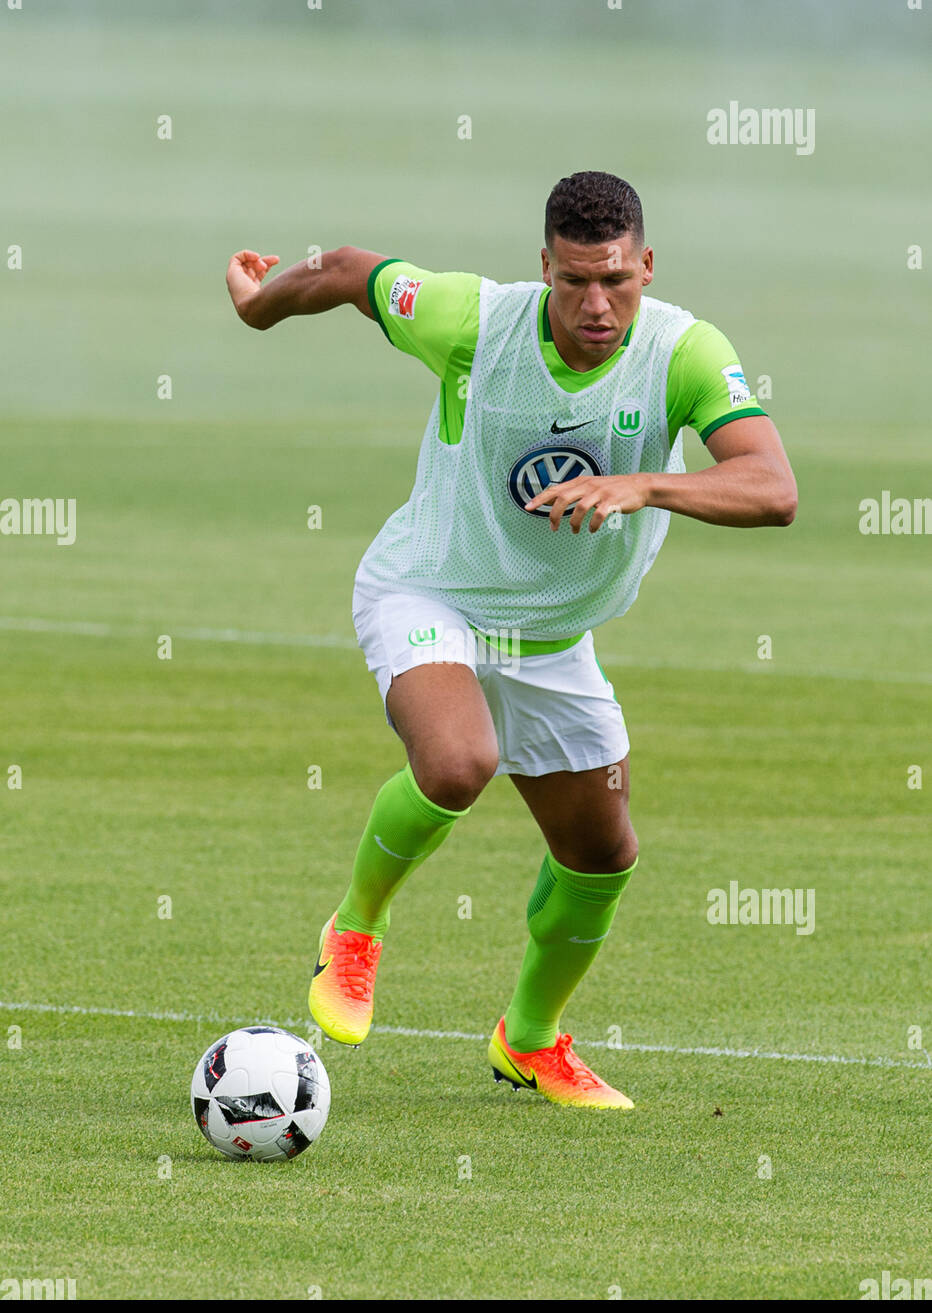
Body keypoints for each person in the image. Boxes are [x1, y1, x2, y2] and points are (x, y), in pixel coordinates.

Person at [225, 171, 797, 1109]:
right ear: (544, 268)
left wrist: (644, 484)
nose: (596, 304)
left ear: (646, 266)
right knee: (459, 761)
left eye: (615, 279)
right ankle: (355, 930)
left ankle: (527, 1042)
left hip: (552, 637)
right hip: (430, 591)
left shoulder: (685, 352)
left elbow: (773, 488)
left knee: (602, 855)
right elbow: (351, 273)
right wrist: (260, 309)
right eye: (574, 281)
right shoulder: (473, 320)